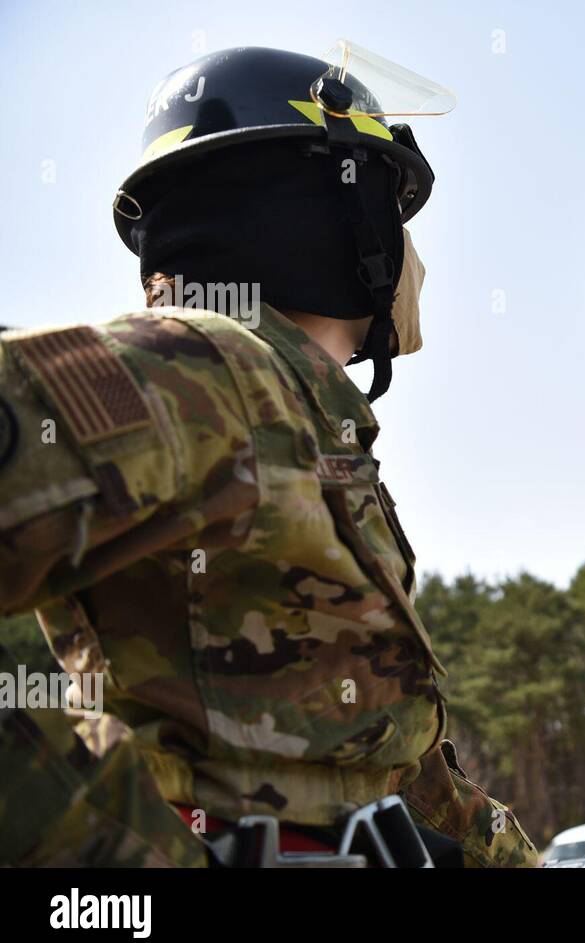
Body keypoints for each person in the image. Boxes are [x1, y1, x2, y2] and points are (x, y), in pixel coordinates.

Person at [0, 44, 537, 867]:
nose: (414, 257)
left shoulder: (305, 421)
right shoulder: (209, 371)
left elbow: (383, 767)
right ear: (339, 217)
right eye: (394, 207)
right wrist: (112, 850)